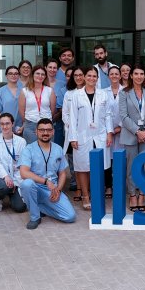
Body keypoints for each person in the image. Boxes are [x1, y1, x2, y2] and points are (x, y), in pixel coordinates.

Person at [19, 119, 77, 230]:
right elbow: (23, 172)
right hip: (35, 187)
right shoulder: (28, 149)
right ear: (36, 132)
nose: (45, 133)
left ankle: (39, 207)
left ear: (53, 132)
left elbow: (62, 173)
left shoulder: (58, 149)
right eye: (42, 130)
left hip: (52, 189)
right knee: (27, 184)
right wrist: (45, 181)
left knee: (70, 216)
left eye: (48, 130)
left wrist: (58, 190)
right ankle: (35, 217)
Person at [68, 67, 113, 209]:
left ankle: (97, 195)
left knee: (99, 166)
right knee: (82, 167)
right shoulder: (76, 95)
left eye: (95, 76)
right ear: (84, 77)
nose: (92, 78)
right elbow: (73, 118)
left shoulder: (103, 95)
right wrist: (73, 138)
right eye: (89, 75)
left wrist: (109, 133)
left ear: (97, 79)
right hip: (82, 135)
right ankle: (85, 196)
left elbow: (108, 115)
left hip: (100, 135)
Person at [118, 65, 145, 211]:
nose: (139, 76)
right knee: (132, 166)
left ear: (144, 76)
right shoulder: (124, 93)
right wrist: (137, 131)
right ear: (131, 76)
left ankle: (142, 194)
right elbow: (123, 116)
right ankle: (133, 195)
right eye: (136, 74)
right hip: (130, 135)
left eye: (142, 73)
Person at [0, 113, 27, 213]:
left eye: (7, 123)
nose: (5, 126)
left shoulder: (21, 142)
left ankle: (11, 192)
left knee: (20, 208)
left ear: (12, 124)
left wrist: (15, 182)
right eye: (2, 124)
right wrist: (6, 177)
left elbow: (22, 165)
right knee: (3, 186)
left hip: (16, 178)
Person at [17, 65, 56, 144]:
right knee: (32, 151)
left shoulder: (49, 91)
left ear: (45, 76)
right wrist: (28, 121)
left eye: (42, 74)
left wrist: (45, 119)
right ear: (32, 75)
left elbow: (52, 110)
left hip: (47, 125)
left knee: (47, 151)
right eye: (37, 73)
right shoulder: (25, 91)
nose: (40, 76)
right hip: (30, 125)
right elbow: (21, 111)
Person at [64, 65, 86, 197]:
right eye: (75, 75)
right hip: (73, 133)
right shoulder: (69, 93)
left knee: (86, 163)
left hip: (87, 133)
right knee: (75, 163)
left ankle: (85, 188)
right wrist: (74, 128)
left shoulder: (91, 91)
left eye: (80, 75)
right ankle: (78, 188)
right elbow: (65, 115)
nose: (78, 77)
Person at [104, 64, 124, 198]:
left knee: (120, 159)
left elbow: (129, 111)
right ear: (108, 76)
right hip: (107, 132)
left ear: (120, 76)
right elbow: (102, 113)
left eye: (117, 74)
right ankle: (109, 187)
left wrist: (120, 128)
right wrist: (110, 130)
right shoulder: (103, 92)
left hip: (123, 130)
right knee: (108, 160)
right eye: (112, 74)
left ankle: (120, 185)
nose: (114, 76)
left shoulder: (126, 91)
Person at [0, 65, 22, 135]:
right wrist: (4, 125)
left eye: (16, 73)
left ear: (19, 76)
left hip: (19, 127)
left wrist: (23, 126)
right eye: (10, 73)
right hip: (4, 127)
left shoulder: (24, 91)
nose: (13, 75)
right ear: (6, 76)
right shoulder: (0, 92)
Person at [46, 59, 68, 147]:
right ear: (46, 68)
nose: (52, 69)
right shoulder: (41, 83)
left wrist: (55, 117)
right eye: (50, 67)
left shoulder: (62, 84)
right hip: (43, 119)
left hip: (59, 120)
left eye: (54, 68)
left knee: (57, 146)